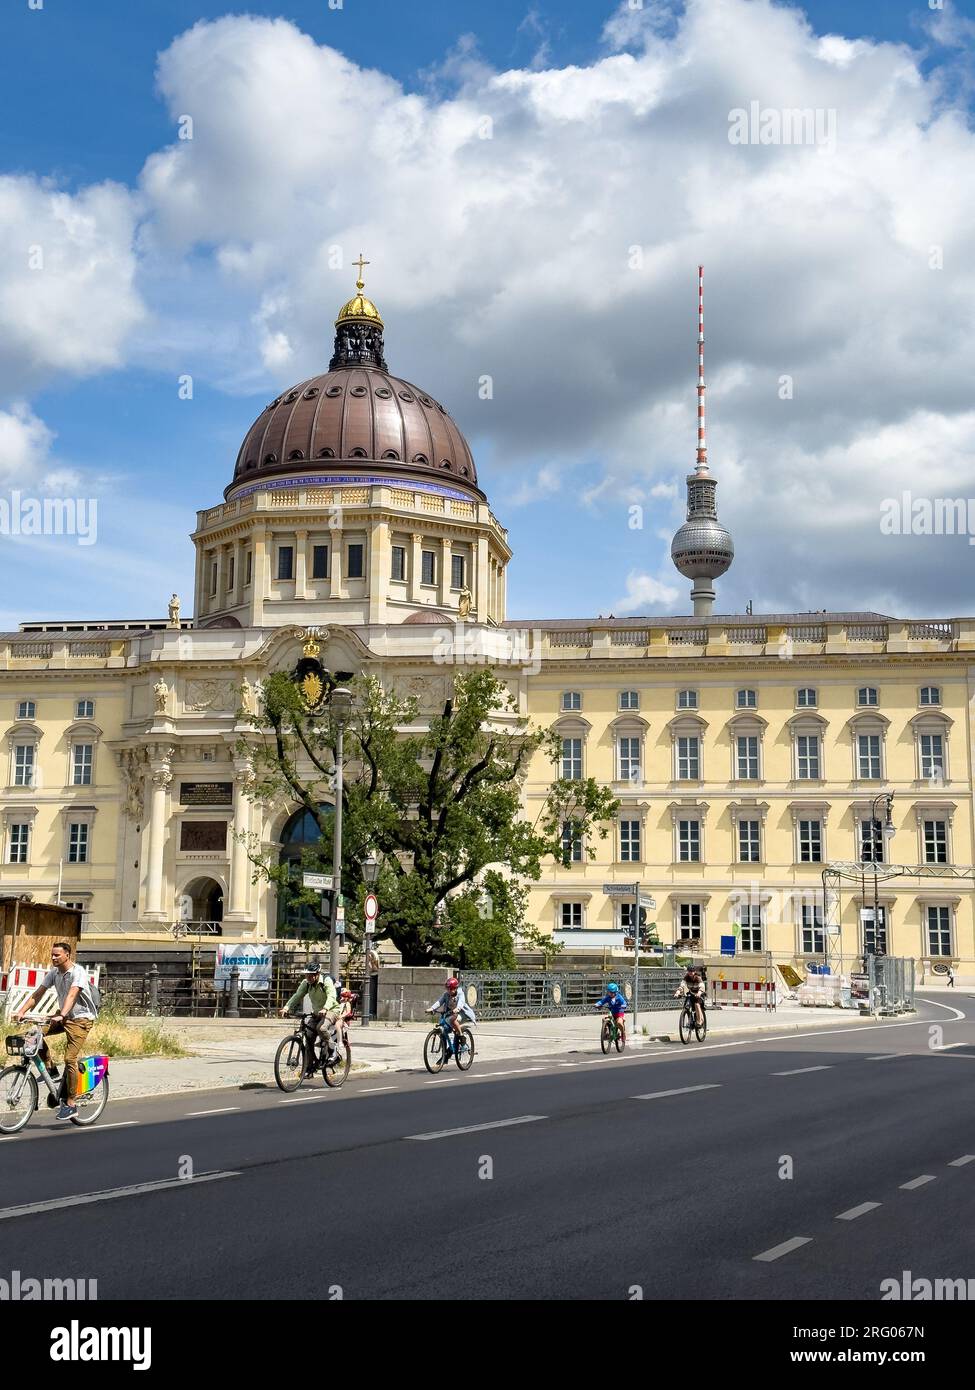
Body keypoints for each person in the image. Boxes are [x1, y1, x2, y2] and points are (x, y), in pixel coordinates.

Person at [14, 941, 99, 1120]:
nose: (53, 958)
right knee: (33, 1034)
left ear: (67, 955)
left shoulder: (78, 972)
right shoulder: (54, 973)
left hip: (81, 1019)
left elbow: (72, 994)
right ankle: (51, 1069)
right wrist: (22, 1011)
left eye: (57, 955)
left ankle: (71, 1103)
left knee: (70, 1059)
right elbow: (38, 993)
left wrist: (63, 1014)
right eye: (52, 955)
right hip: (63, 1015)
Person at [281, 962, 341, 1067]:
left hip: (332, 1010)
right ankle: (311, 1066)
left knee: (321, 1028)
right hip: (318, 1012)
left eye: (310, 975)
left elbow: (332, 995)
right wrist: (287, 1007)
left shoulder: (326, 981)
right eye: (306, 975)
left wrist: (325, 1008)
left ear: (317, 974)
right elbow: (297, 995)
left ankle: (333, 1050)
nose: (308, 977)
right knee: (308, 1038)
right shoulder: (306, 983)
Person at [426, 977, 476, 1051]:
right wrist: (432, 1008)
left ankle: (462, 1038)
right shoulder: (446, 994)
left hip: (462, 1014)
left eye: (451, 989)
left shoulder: (460, 993)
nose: (449, 990)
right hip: (450, 1014)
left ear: (455, 988)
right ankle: (447, 1051)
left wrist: (457, 1008)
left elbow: (461, 1002)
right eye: (448, 988)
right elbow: (440, 1002)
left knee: (453, 1020)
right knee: (444, 1027)